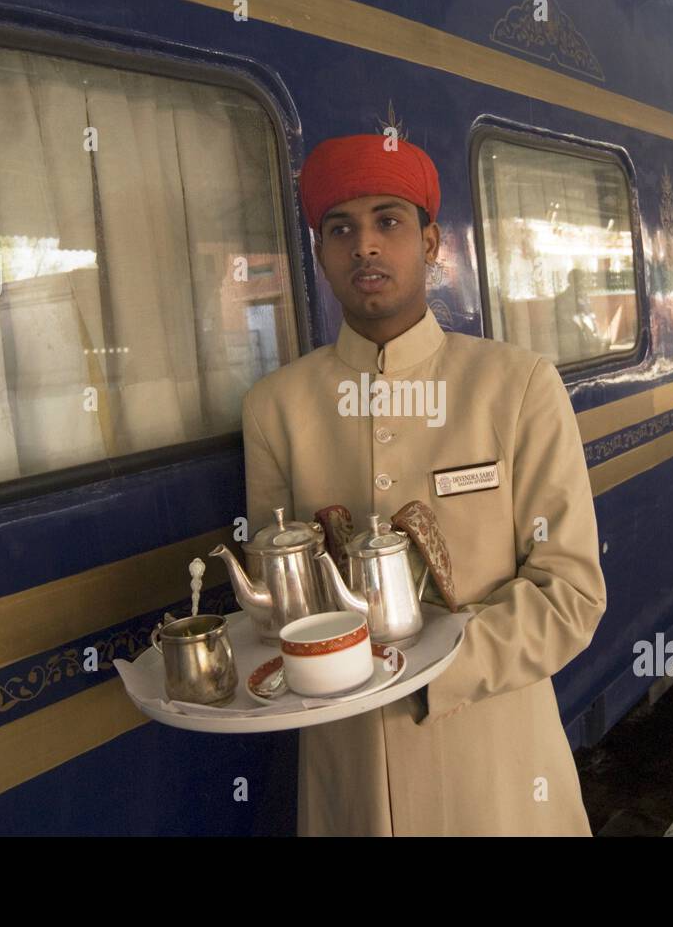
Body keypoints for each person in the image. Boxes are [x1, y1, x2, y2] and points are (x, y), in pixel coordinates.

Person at [241, 133, 607, 835]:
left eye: (389, 222)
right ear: (319, 253)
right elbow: (280, 602)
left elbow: (571, 595)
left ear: (431, 242)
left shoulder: (516, 386)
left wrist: (429, 672)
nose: (365, 247)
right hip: (350, 771)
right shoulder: (276, 406)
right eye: (340, 229)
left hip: (496, 770)